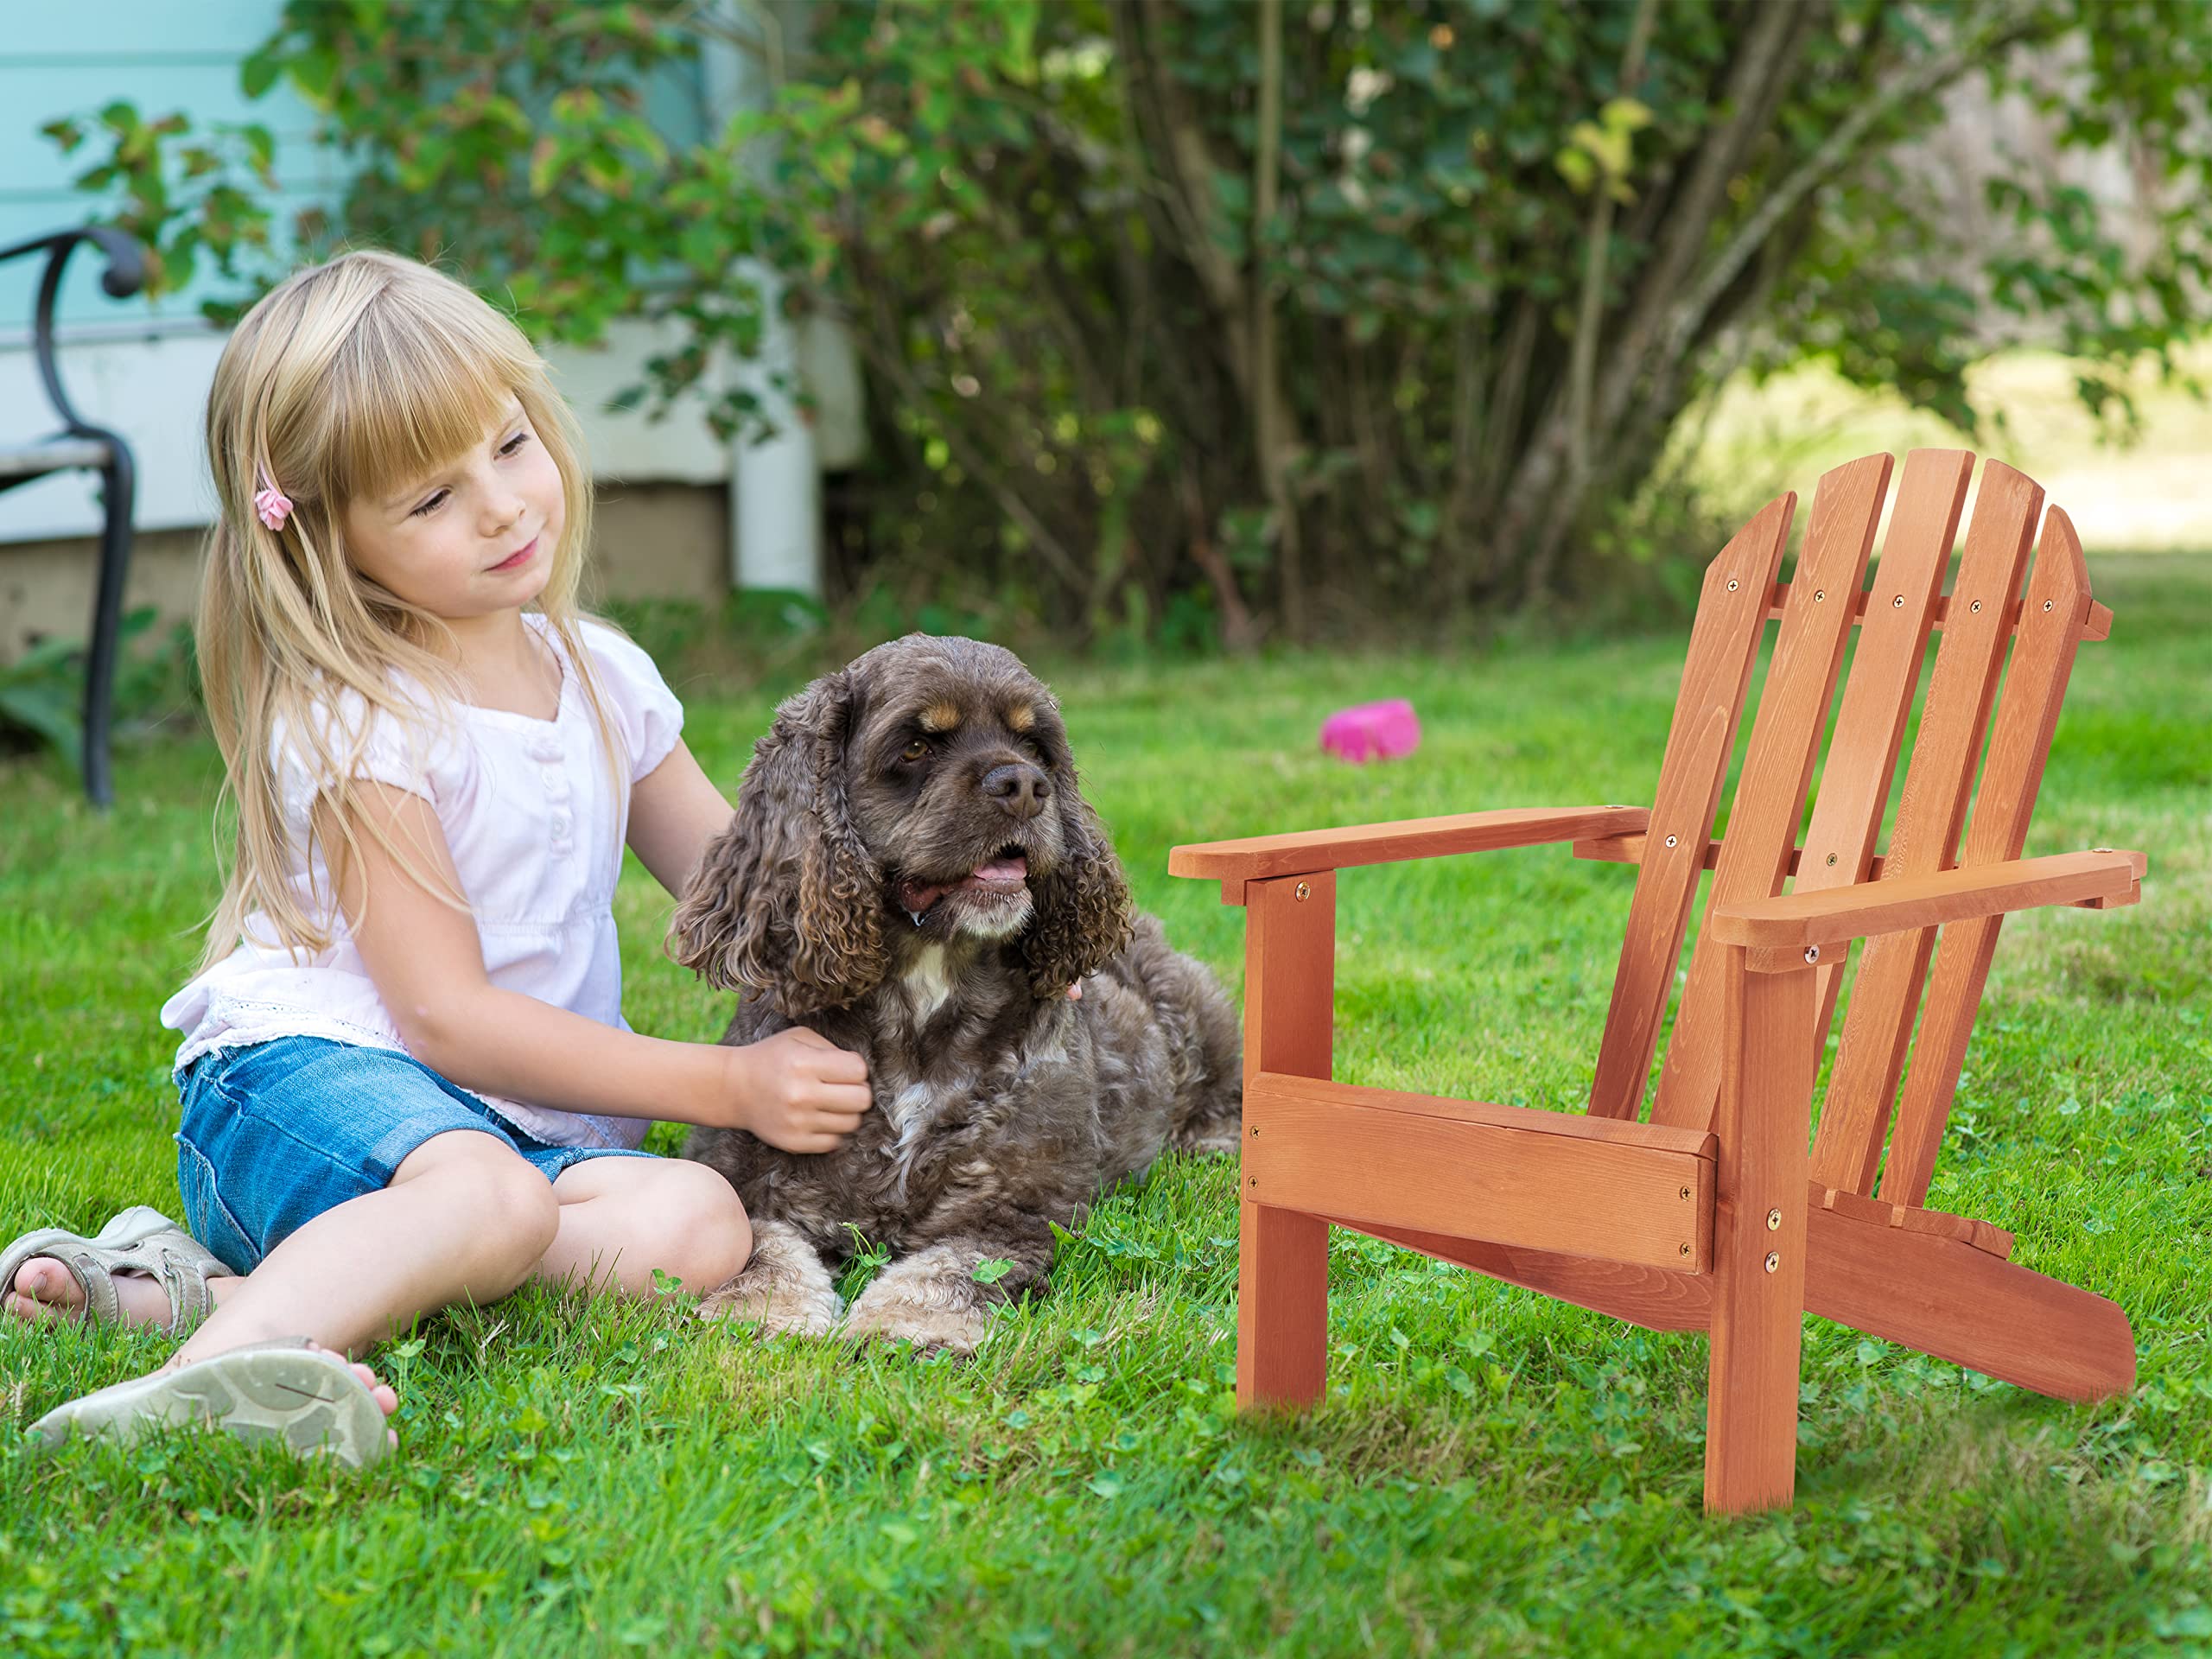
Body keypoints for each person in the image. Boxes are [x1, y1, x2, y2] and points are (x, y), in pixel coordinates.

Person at [2, 251, 873, 1465]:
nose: (505, 505)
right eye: (429, 500)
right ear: (326, 539)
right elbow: (449, 1020)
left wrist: (955, 934)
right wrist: (725, 1086)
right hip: (310, 1085)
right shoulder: (367, 717)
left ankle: (216, 1291)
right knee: (492, 1202)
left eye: (509, 446)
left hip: (514, 1134)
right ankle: (198, 1388)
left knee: (695, 1222)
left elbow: (754, 900)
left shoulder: (600, 676)